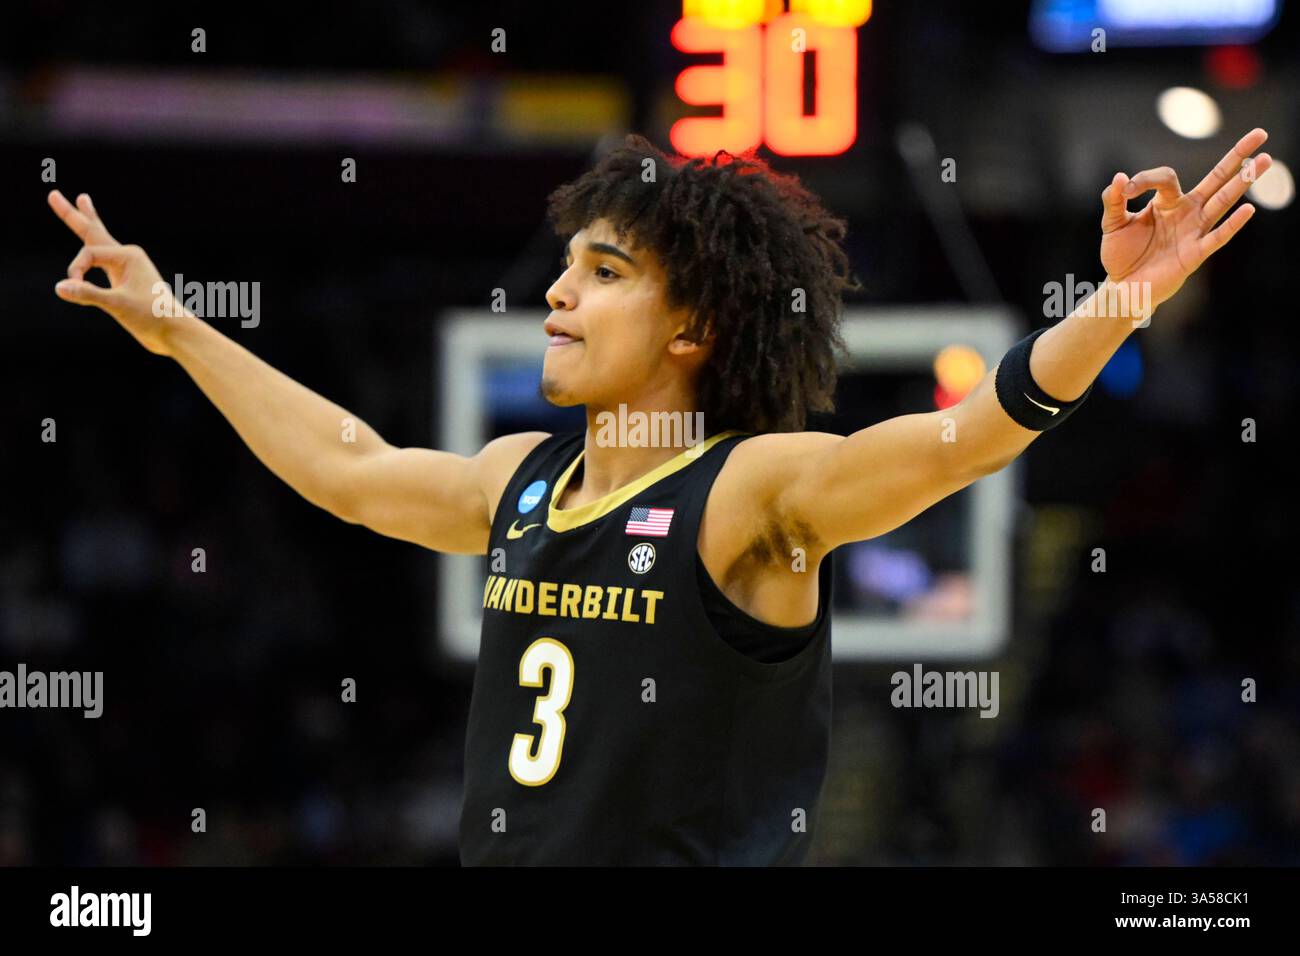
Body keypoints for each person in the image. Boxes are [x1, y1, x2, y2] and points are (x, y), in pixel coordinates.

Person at [47, 129, 1271, 865]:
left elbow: (962, 440)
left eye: (605, 271)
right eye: (566, 269)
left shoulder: (749, 487)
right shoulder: (523, 481)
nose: (560, 297)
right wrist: (177, 328)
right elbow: (348, 468)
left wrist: (1117, 300)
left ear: (692, 323)